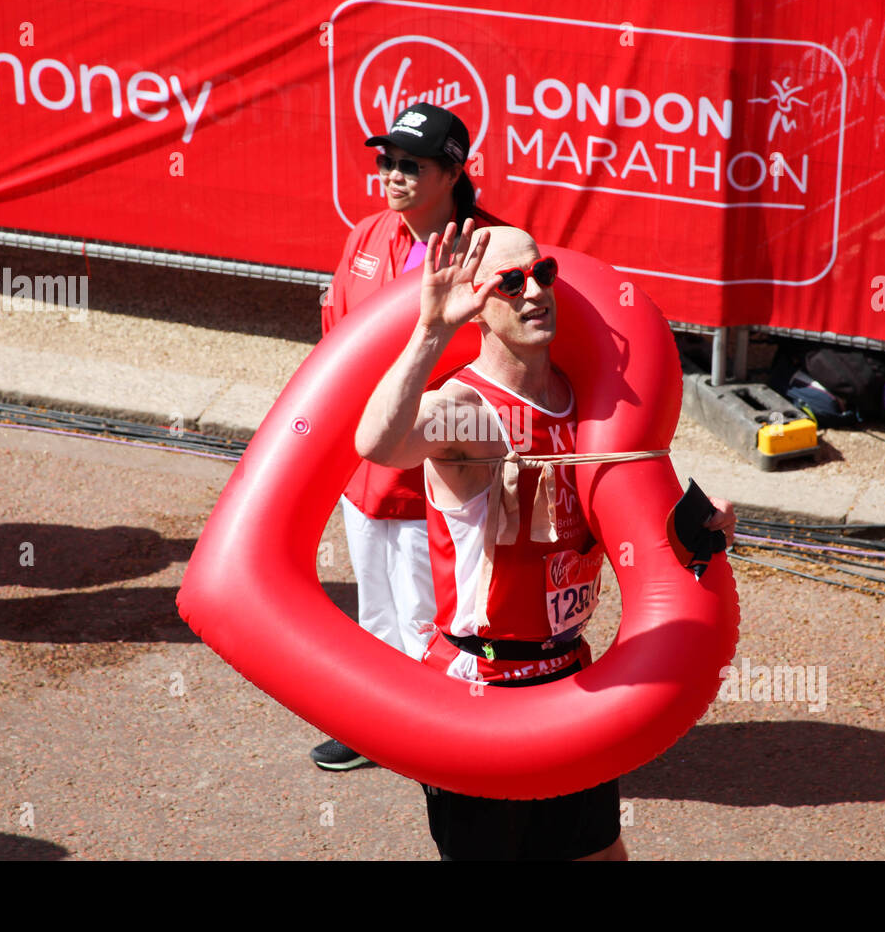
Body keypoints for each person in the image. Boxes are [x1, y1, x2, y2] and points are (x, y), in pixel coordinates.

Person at [355, 222, 736, 860]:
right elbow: (378, 443)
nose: (534, 292)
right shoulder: (470, 411)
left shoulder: (586, 404)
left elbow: (628, 532)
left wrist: (698, 528)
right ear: (479, 302)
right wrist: (430, 329)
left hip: (567, 676)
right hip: (482, 691)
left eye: (543, 274)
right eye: (510, 282)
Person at [312, 102, 502, 771]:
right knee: (376, 615)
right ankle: (376, 729)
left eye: (411, 165)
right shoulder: (366, 234)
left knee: (435, 622)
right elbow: (335, 339)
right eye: (386, 161)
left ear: (453, 172)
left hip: (437, 478)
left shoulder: (489, 248)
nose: (393, 174)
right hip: (364, 470)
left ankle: (439, 742)